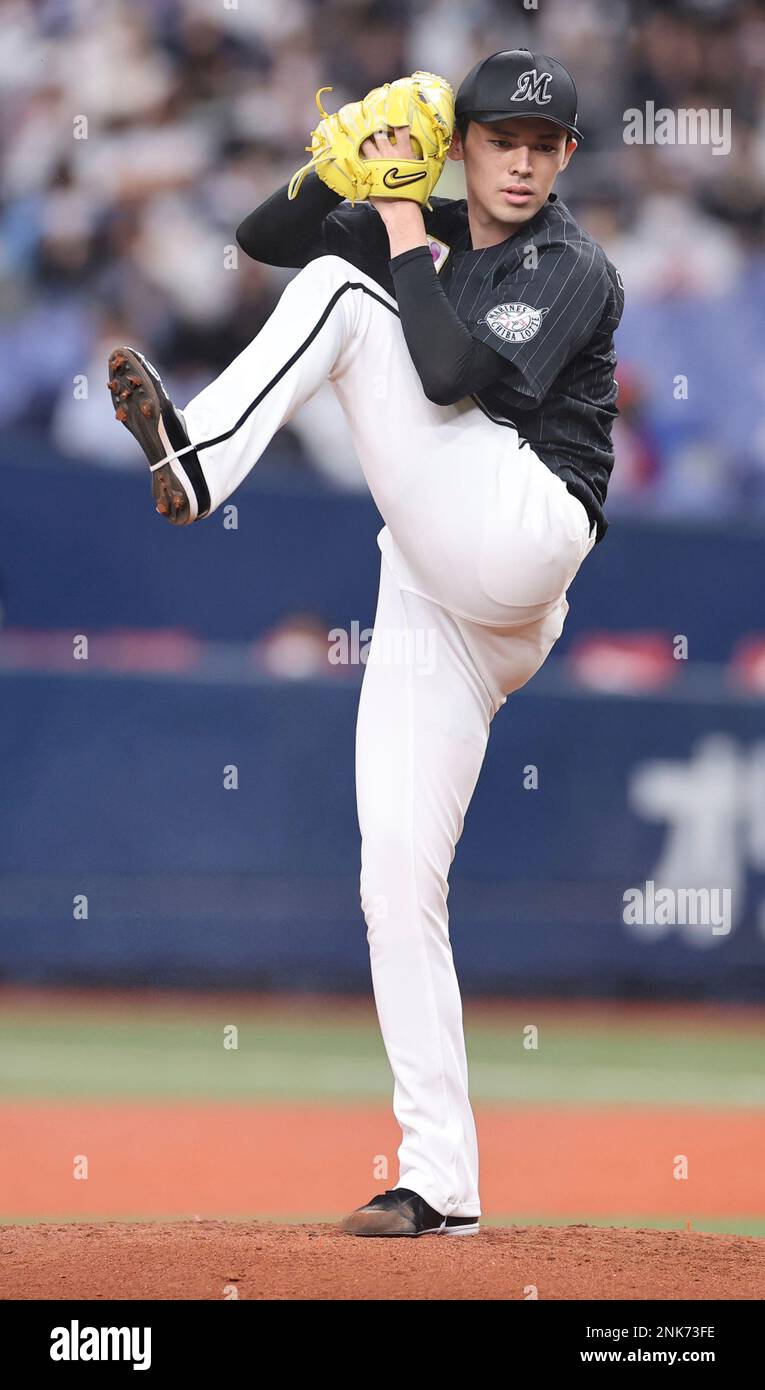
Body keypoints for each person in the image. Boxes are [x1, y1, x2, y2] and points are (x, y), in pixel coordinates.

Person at [107, 48, 623, 1238]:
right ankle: (441, 1181)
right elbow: (260, 236)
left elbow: (442, 375)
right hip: (439, 584)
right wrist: (334, 168)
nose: (524, 161)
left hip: (524, 532)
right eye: (502, 138)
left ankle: (198, 462)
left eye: (546, 145)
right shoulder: (431, 214)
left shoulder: (568, 263)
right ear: (466, 144)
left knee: (349, 305)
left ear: (569, 160)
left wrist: (392, 216)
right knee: (396, 871)